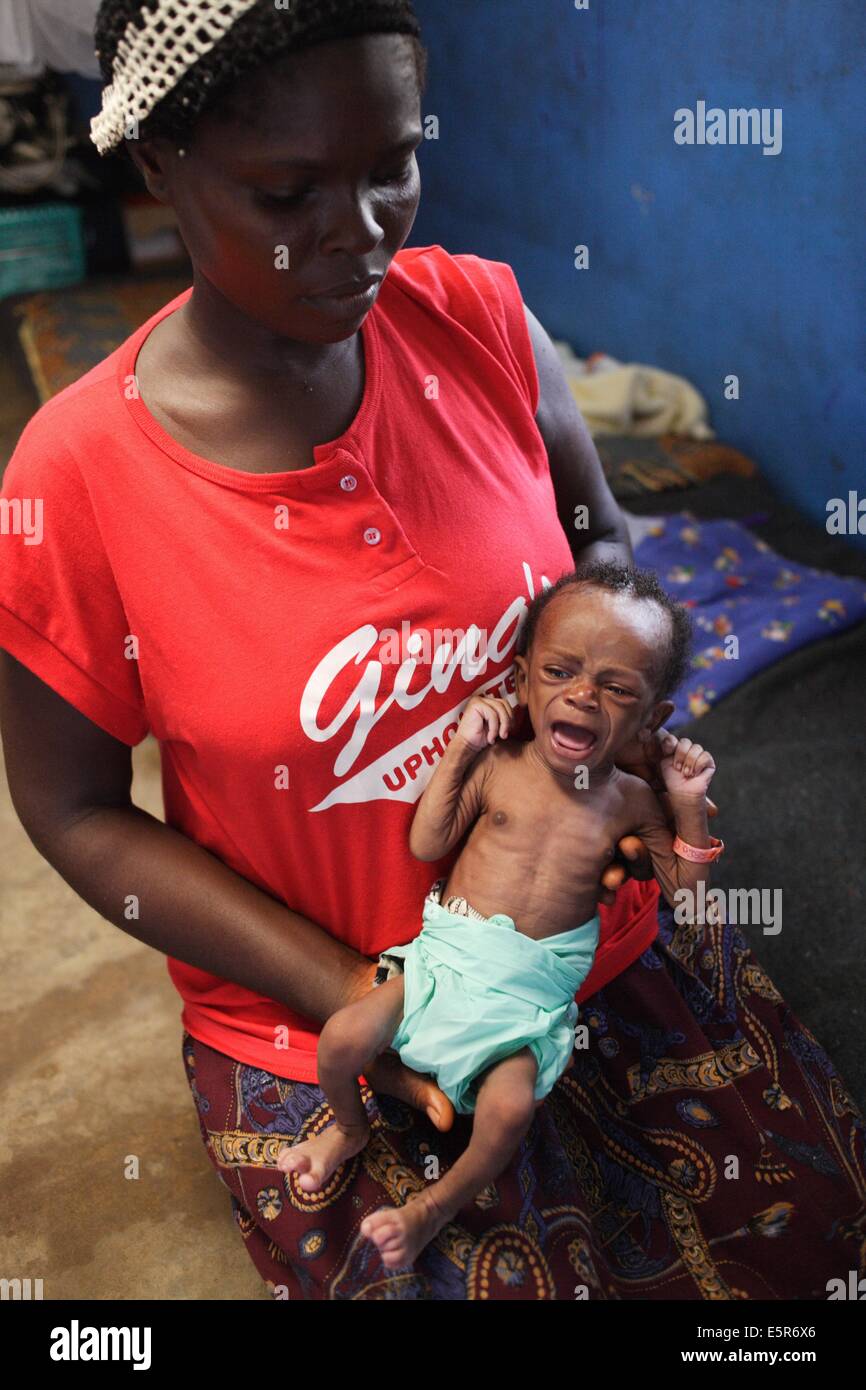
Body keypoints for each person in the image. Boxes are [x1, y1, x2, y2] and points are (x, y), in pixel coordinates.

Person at [0, 0, 861, 1300]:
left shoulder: (482, 322)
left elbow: (602, 560)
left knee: (801, 1241)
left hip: (588, 935)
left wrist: (619, 760)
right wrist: (358, 987)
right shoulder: (75, 476)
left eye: (391, 164)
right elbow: (70, 809)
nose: (362, 235)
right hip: (321, 1008)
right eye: (290, 190)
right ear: (156, 161)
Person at [279, 563, 723, 1271]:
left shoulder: (633, 802)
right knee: (342, 1038)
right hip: (441, 971)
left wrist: (687, 797)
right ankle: (349, 1129)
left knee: (510, 1112)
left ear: (650, 722)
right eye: (560, 671)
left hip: (524, 1005)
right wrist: (462, 745)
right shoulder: (500, 765)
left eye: (616, 689)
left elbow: (692, 901)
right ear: (521, 682)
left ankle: (431, 1208)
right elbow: (428, 841)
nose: (582, 695)